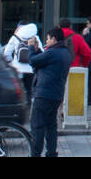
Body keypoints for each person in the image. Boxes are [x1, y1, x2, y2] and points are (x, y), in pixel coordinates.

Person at [27, 27, 71, 157]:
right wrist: (38, 51)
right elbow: (43, 60)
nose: (46, 41)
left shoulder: (52, 53)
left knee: (37, 126)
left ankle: (35, 153)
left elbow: (32, 61)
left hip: (43, 94)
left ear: (53, 39)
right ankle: (51, 153)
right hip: (56, 95)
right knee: (51, 126)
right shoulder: (64, 53)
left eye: (47, 38)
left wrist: (30, 48)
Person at [3, 21, 38, 103]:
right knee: (29, 91)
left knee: (18, 91)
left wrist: (12, 63)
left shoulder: (15, 37)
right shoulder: (35, 37)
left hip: (17, 70)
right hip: (30, 69)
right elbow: (41, 52)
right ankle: (28, 110)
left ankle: (19, 108)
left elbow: (6, 54)